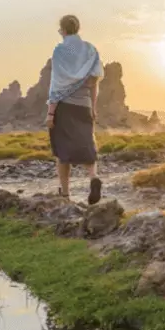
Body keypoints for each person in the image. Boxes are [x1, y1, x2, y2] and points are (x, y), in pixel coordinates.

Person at [45, 15, 105, 204]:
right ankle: (94, 177)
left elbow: (57, 84)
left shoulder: (60, 50)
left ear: (62, 30)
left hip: (64, 105)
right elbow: (94, 81)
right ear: (78, 28)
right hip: (84, 104)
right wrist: (93, 108)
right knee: (87, 143)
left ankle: (65, 193)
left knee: (63, 151)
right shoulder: (90, 49)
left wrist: (51, 112)